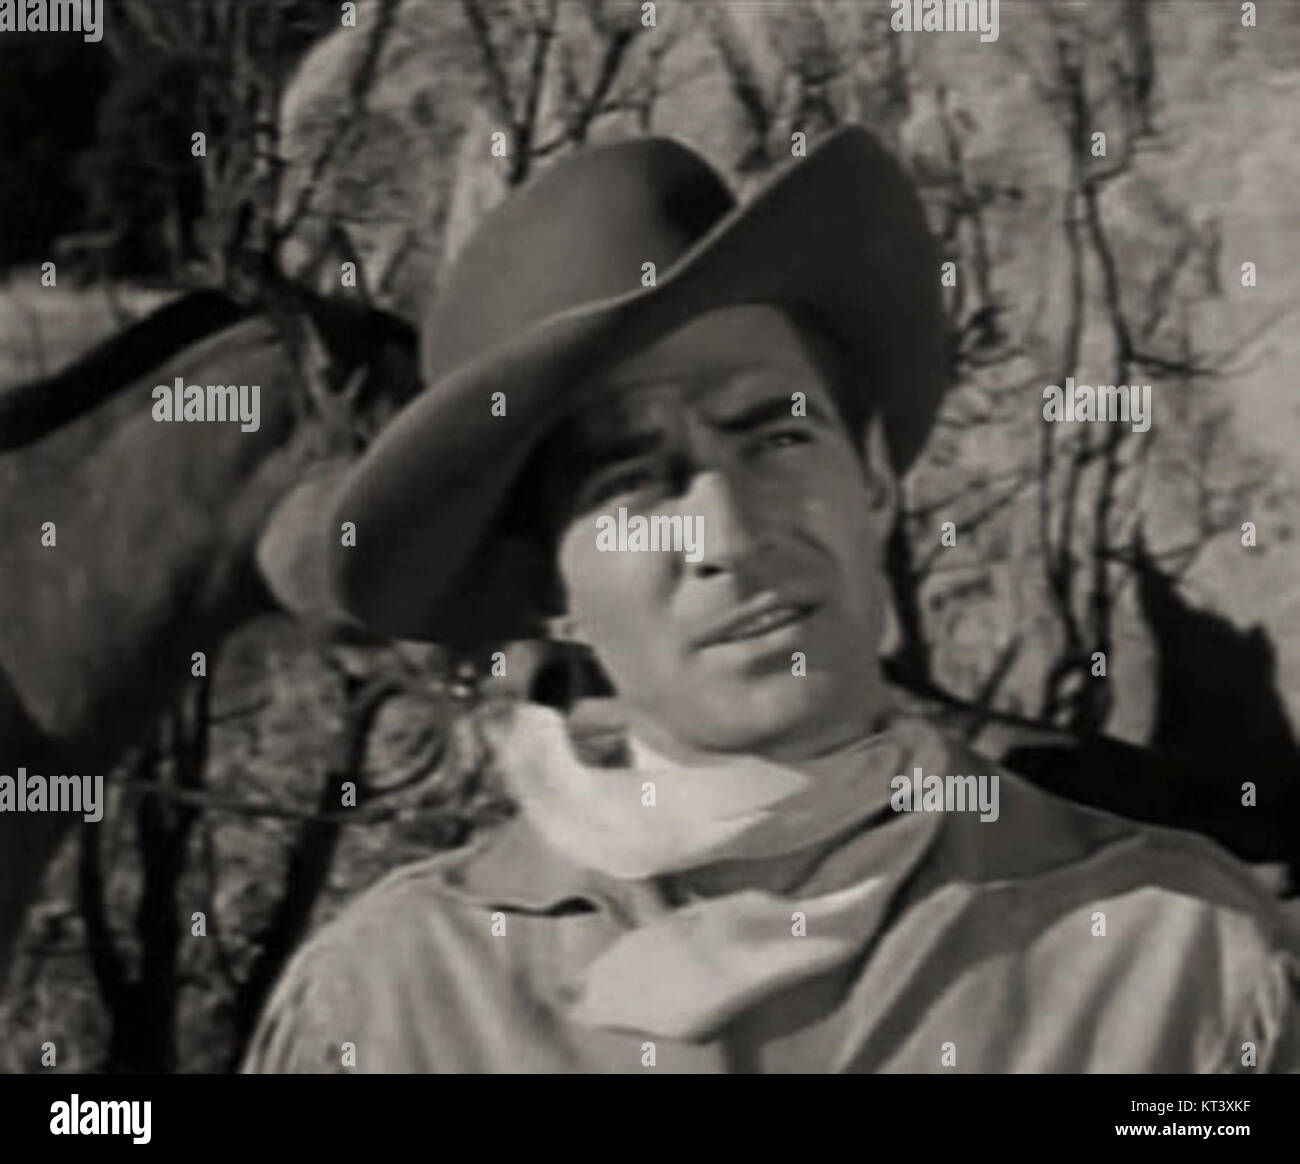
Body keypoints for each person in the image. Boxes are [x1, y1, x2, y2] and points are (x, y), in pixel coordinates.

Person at [242, 126, 1300, 1073]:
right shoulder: (400, 1014)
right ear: (548, 589)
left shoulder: (1170, 969)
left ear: (873, 479)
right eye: (633, 483)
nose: (731, 538)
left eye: (777, 436)